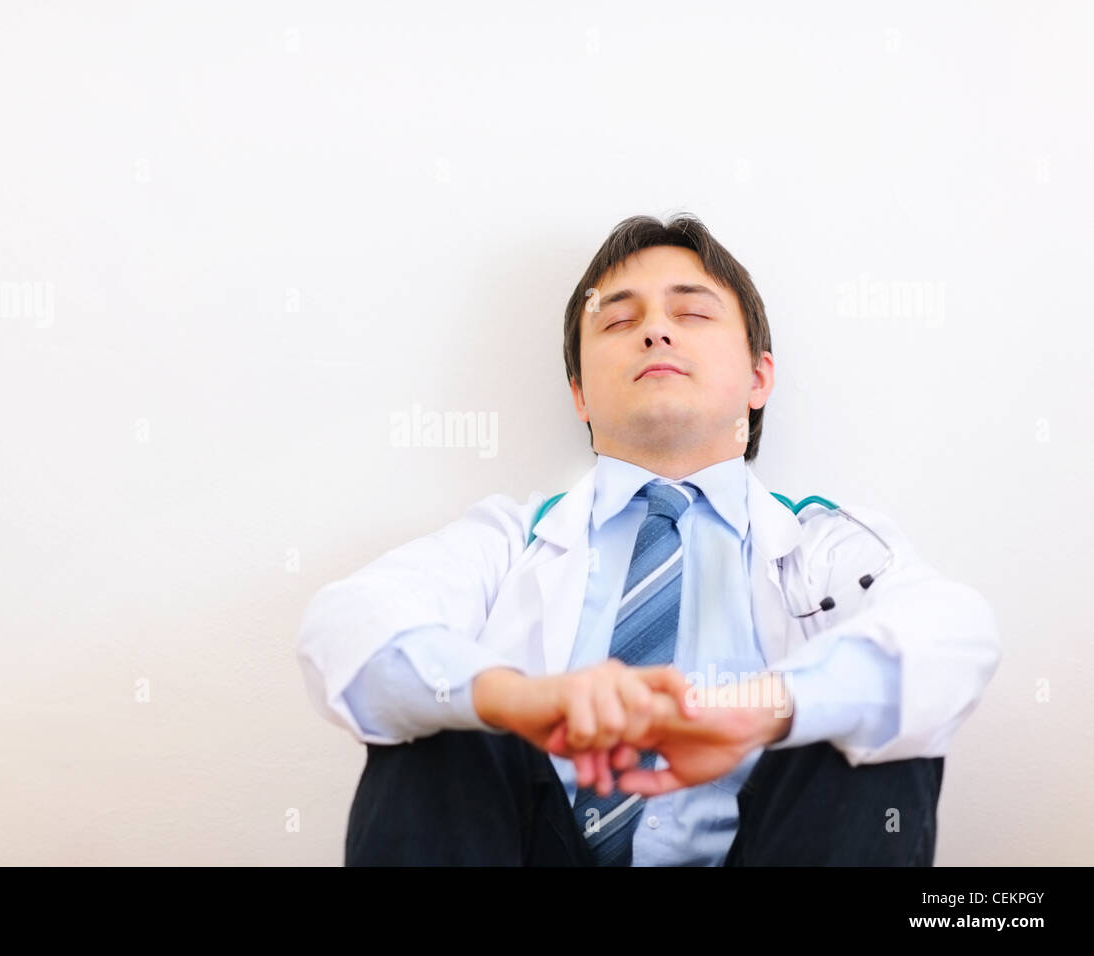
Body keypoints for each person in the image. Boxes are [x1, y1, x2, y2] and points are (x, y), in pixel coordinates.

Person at [296, 213, 1002, 866]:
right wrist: (514, 698)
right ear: (579, 393)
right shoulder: (509, 539)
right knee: (445, 715)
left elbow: (957, 636)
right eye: (617, 321)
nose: (655, 331)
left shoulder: (825, 543)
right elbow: (346, 624)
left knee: (862, 720)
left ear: (759, 378)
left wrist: (760, 708)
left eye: (691, 312)